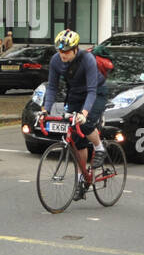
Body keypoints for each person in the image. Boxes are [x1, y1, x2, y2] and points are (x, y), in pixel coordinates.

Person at [36, 29, 107, 200]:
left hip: (96, 92)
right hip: (75, 94)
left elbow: (91, 90)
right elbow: (52, 87)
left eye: (66, 51)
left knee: (86, 122)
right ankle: (82, 179)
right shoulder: (56, 60)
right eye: (60, 51)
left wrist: (83, 113)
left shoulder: (87, 60)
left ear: (75, 49)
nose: (63, 55)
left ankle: (99, 148)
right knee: (77, 141)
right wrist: (45, 110)